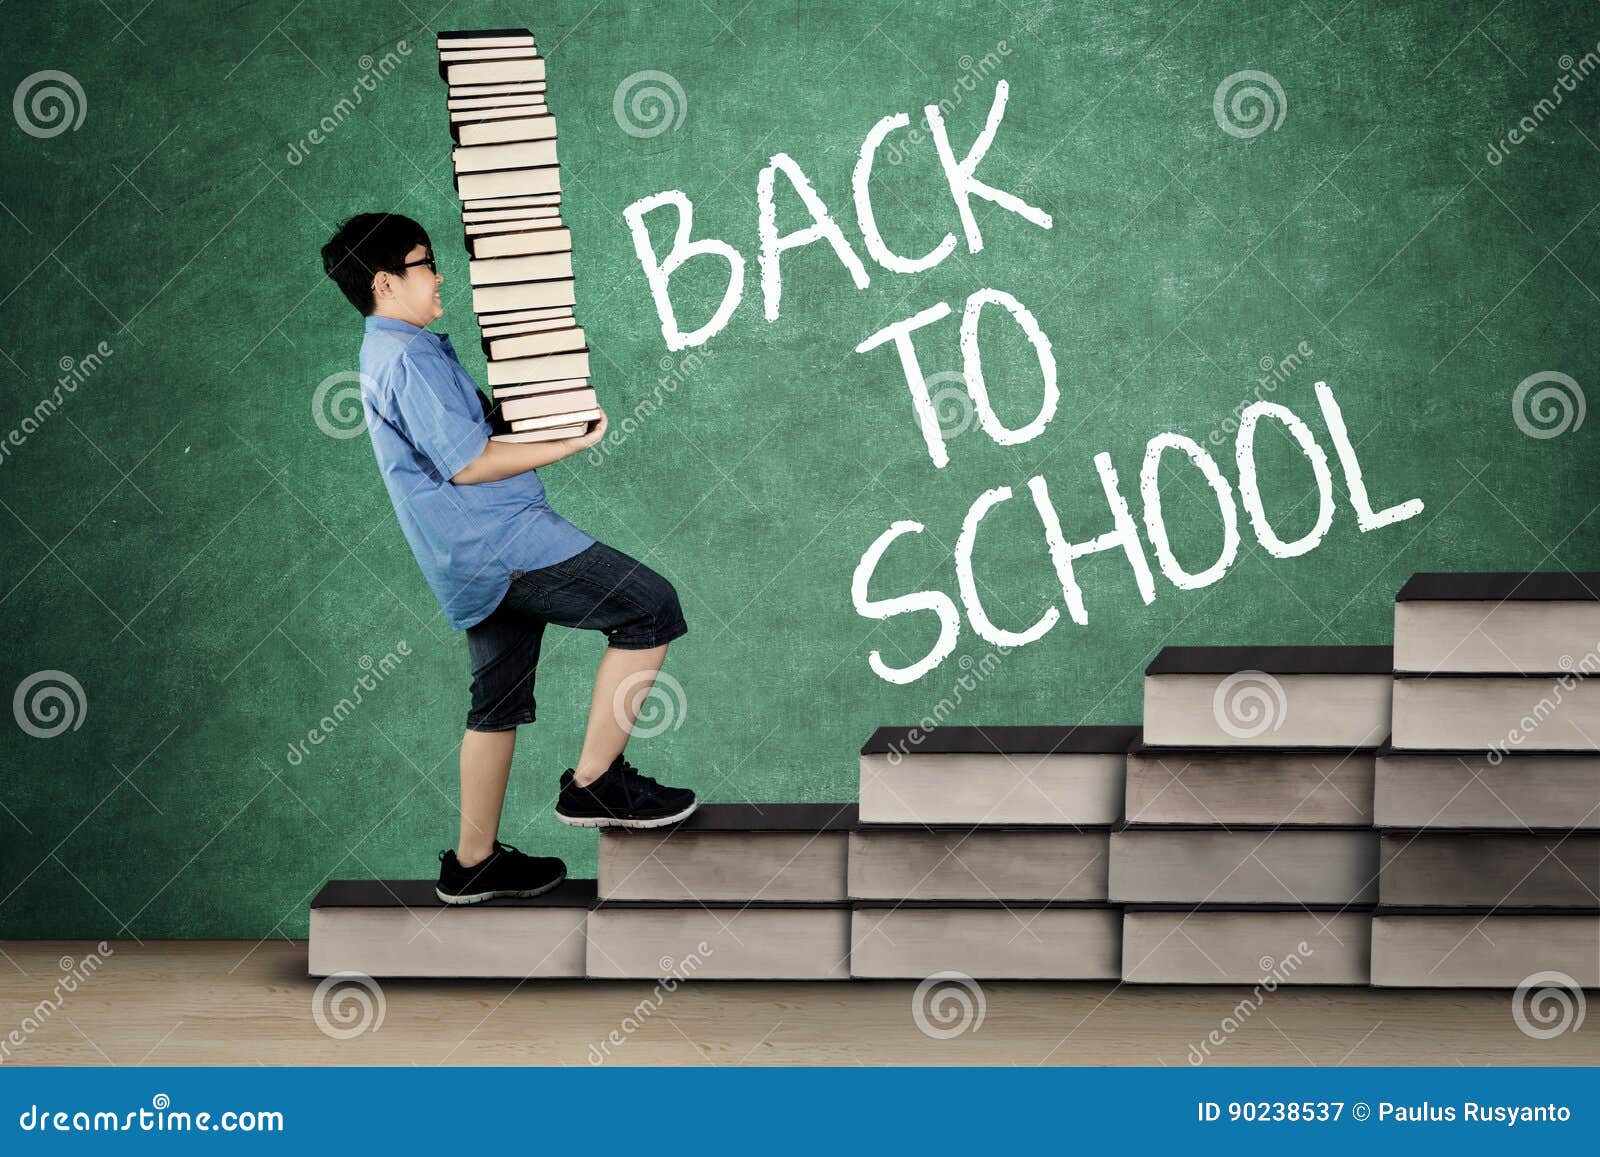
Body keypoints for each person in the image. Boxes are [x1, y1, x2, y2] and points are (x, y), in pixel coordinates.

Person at [320, 212, 696, 906]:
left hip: (465, 556)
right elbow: (468, 464)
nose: (439, 275)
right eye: (425, 262)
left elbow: (467, 434)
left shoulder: (398, 349)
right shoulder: (405, 359)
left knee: (494, 702)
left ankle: (474, 861)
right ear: (384, 281)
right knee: (650, 607)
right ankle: (594, 782)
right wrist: (573, 442)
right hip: (504, 542)